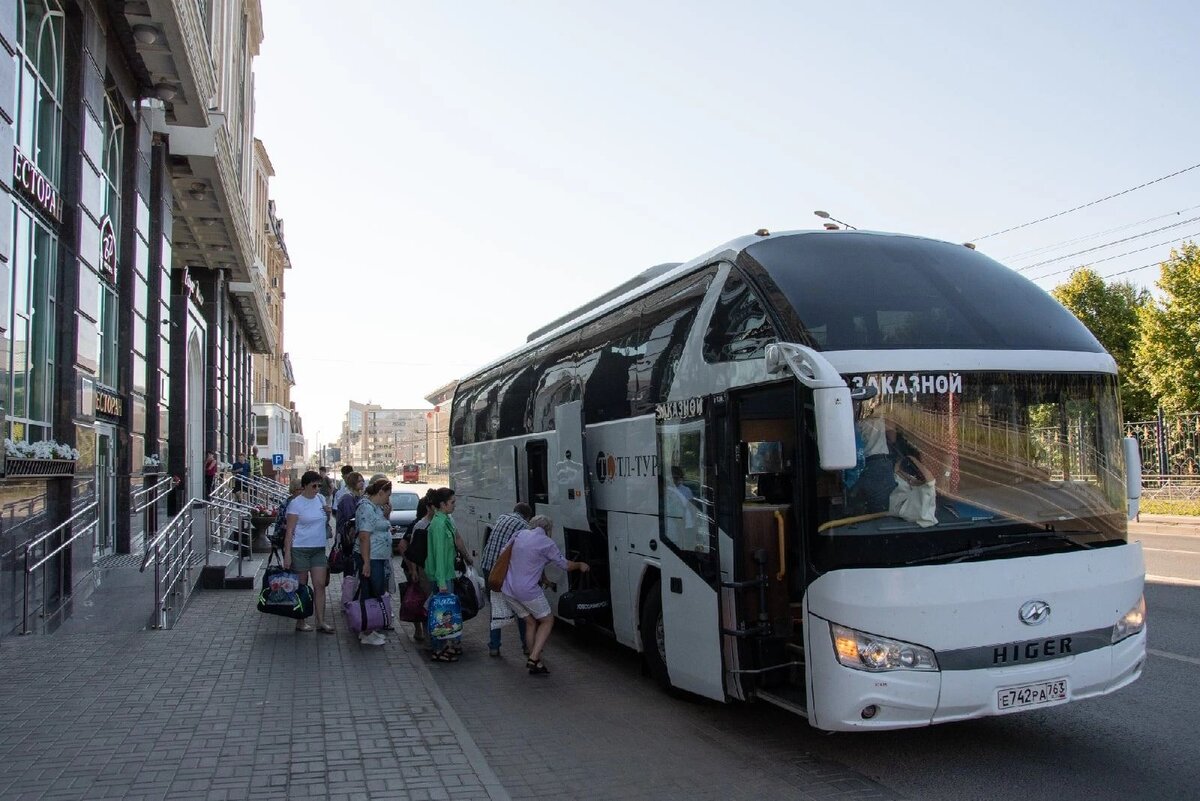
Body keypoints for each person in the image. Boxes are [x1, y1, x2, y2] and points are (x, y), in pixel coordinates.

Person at [501, 515, 589, 675]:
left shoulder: (519, 534)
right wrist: (580, 565)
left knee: (530, 622)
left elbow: (504, 552)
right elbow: (565, 565)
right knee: (547, 620)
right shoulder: (547, 543)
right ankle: (534, 658)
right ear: (548, 529)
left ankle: (536, 660)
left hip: (508, 589)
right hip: (527, 590)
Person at [424, 487, 473, 662]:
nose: (454, 506)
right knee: (441, 614)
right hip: (442, 576)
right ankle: (438, 649)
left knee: (446, 614)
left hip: (446, 574)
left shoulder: (445, 520)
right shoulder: (438, 524)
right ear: (443, 504)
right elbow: (437, 553)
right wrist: (442, 582)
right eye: (452, 503)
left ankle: (445, 646)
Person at [282, 470, 334, 633]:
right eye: (314, 485)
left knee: (320, 585)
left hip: (318, 548)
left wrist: (328, 512)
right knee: (302, 585)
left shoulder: (320, 499)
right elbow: (289, 531)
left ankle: (321, 621)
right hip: (300, 549)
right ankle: (301, 620)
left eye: (319, 485)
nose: (317, 488)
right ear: (305, 486)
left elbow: (325, 521)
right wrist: (287, 554)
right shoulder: (296, 503)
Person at [478, 502, 532, 656]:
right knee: (521, 609)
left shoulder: (502, 517)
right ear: (527, 516)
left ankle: (494, 646)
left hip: (488, 567)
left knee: (496, 608)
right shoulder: (524, 527)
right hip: (503, 571)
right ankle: (526, 645)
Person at [354, 478, 394, 646]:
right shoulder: (366, 508)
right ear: (380, 492)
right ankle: (366, 631)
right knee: (370, 592)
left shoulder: (376, 508)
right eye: (388, 495)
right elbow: (364, 537)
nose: (389, 499)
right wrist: (366, 563)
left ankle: (371, 628)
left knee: (375, 592)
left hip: (378, 556)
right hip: (371, 557)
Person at [335, 471, 365, 542]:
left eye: (362, 480)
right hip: (346, 536)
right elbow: (351, 518)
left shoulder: (359, 497)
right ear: (352, 483)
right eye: (358, 481)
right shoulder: (347, 498)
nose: (362, 483)